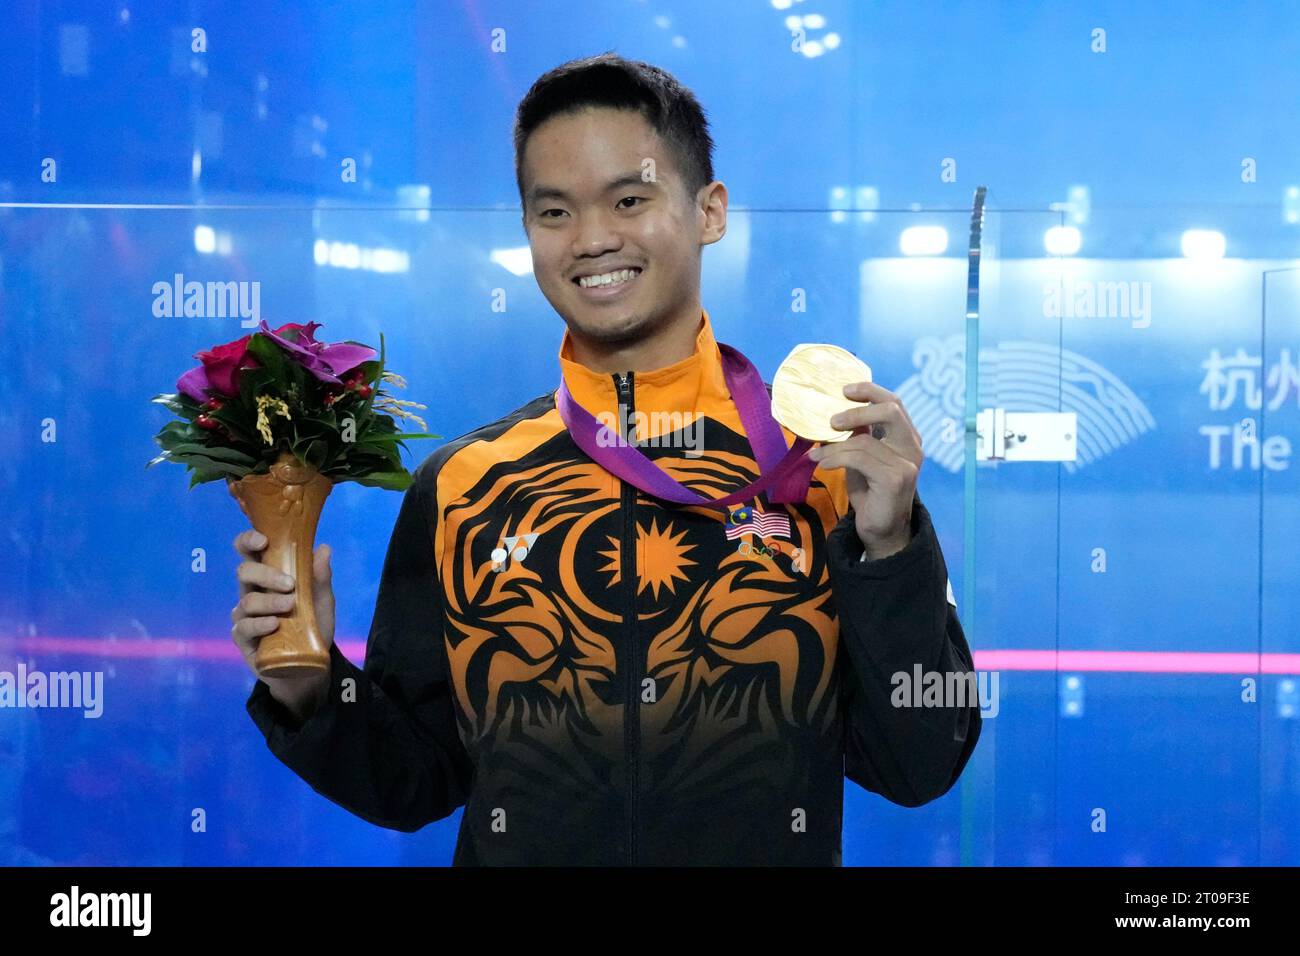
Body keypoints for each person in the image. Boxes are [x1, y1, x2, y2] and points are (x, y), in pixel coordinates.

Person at [232, 52, 981, 866]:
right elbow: (417, 783)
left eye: (629, 199)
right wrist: (311, 689)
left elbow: (920, 764)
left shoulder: (822, 471)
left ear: (710, 211)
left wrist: (892, 549)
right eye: (553, 212)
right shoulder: (465, 484)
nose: (592, 239)